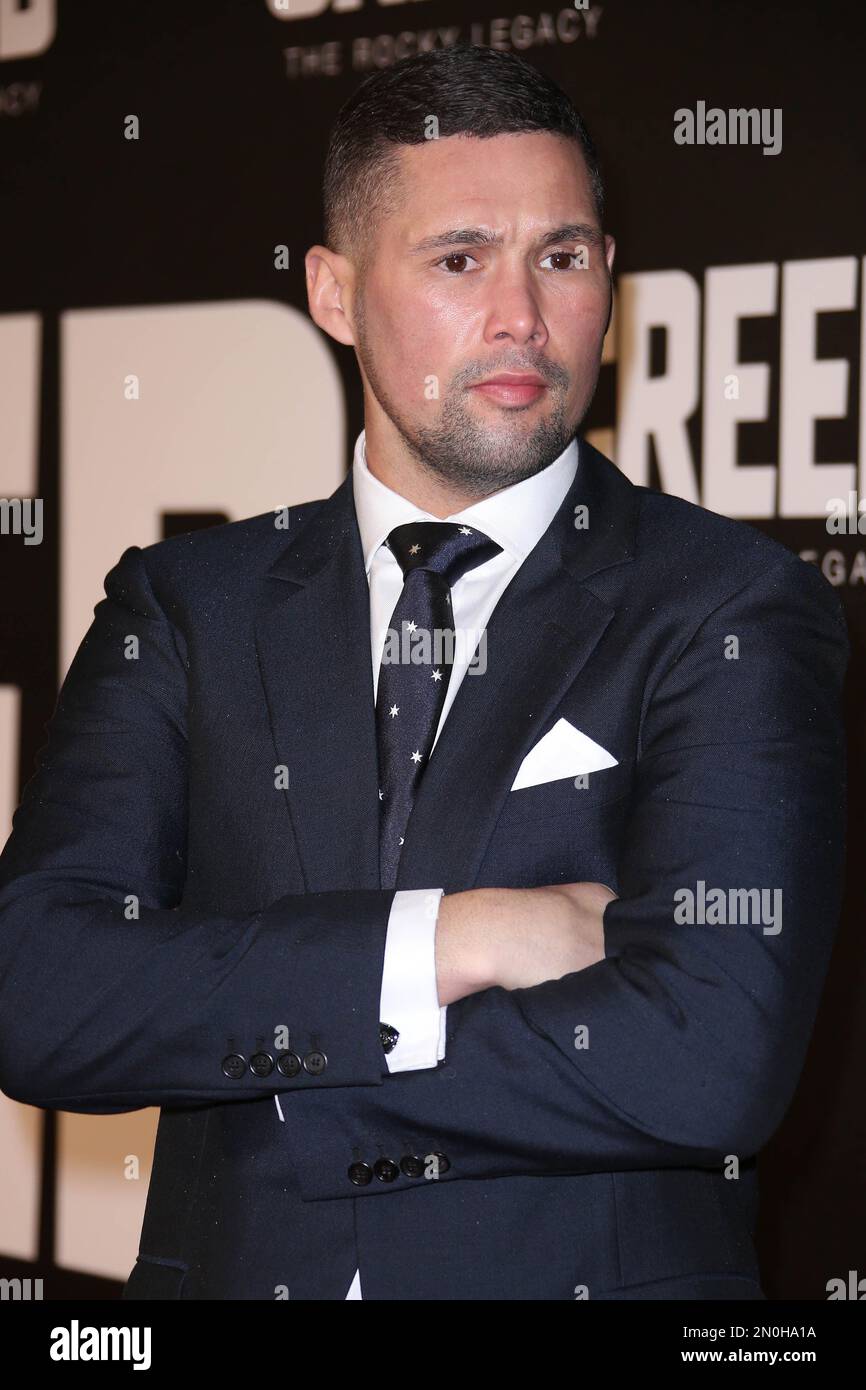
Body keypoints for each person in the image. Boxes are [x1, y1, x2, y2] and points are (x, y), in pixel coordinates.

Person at [0, 45, 847, 1301]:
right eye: (459, 260)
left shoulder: (725, 603)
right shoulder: (185, 608)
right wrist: (456, 937)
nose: (520, 316)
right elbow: (43, 992)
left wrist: (271, 1080)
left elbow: (706, 1057)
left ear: (607, 276)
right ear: (333, 293)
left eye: (560, 257)